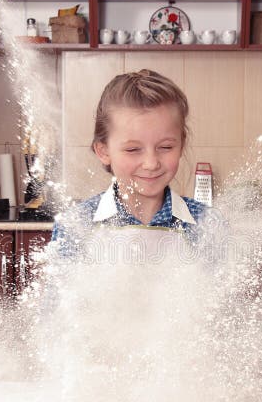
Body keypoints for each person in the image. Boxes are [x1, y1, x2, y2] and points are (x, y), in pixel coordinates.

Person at [51, 69, 220, 260]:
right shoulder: (75, 226)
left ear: (181, 145)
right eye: (132, 150)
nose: (151, 163)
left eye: (165, 147)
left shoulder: (207, 224)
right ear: (104, 151)